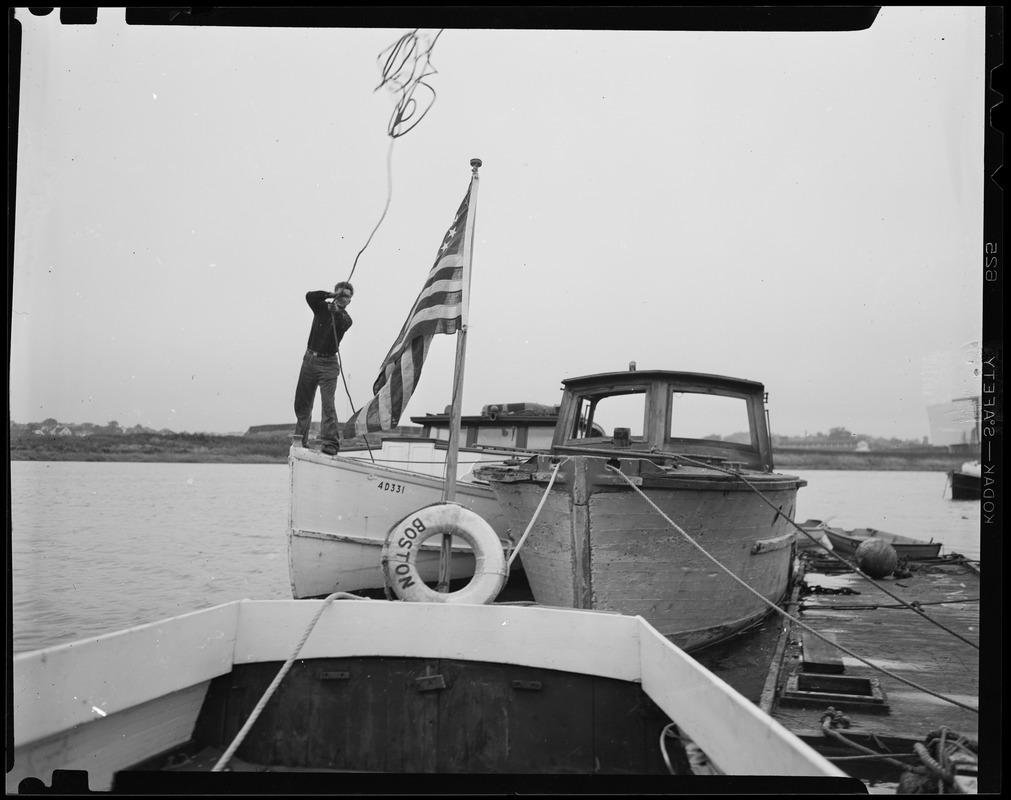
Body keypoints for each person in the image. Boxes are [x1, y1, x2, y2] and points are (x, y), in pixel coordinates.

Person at [293, 281, 353, 454]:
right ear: (335, 295)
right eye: (340, 295)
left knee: (328, 405)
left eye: (346, 297)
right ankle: (300, 440)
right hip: (309, 360)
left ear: (350, 301)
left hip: (329, 364)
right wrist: (330, 295)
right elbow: (310, 296)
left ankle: (330, 445)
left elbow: (343, 322)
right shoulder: (321, 308)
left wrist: (337, 311)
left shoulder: (346, 318)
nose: (343, 299)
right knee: (303, 404)